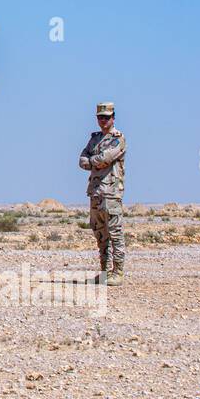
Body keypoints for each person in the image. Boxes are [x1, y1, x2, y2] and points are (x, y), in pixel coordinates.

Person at [79, 102, 127, 285]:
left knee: (115, 232)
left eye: (106, 117)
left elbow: (106, 158)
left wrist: (92, 161)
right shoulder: (94, 139)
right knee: (100, 233)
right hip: (96, 192)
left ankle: (118, 272)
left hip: (111, 192)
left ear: (113, 117)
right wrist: (94, 161)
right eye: (100, 117)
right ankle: (105, 271)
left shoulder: (118, 138)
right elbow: (82, 160)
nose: (103, 121)